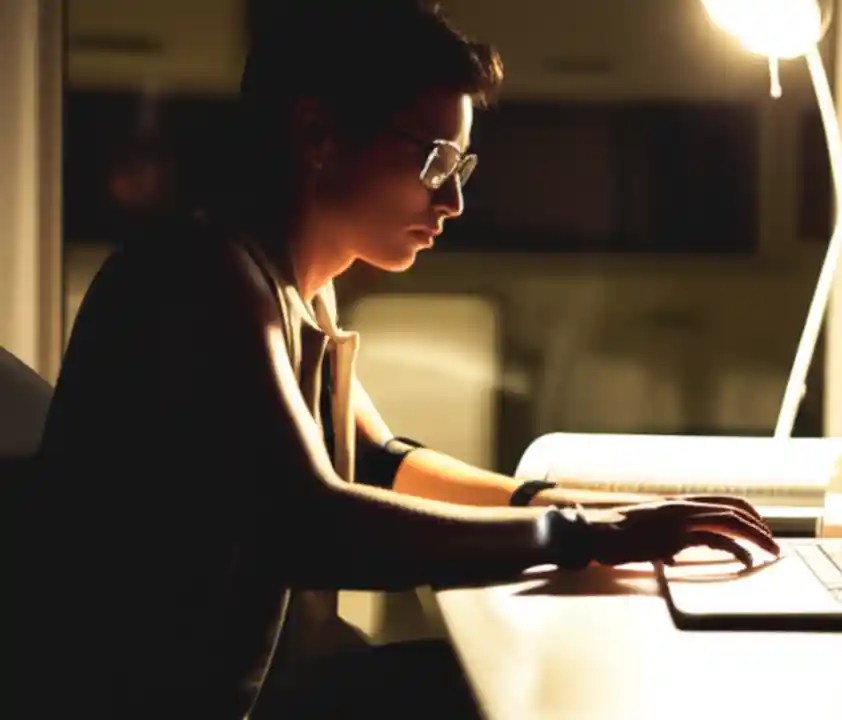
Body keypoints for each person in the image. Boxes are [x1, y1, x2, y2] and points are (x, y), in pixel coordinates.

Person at [10, 2, 777, 718]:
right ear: (317, 135)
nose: (452, 203)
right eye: (438, 161)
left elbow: (381, 463)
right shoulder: (201, 278)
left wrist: (570, 510)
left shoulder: (299, 288)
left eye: (459, 170)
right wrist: (578, 536)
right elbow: (311, 521)